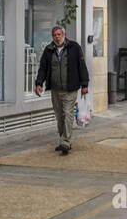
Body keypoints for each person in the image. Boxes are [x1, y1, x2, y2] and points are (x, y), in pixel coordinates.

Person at [34, 25, 90, 154]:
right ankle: (63, 140)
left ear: (64, 35)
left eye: (59, 34)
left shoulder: (74, 47)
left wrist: (85, 85)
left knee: (68, 114)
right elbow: (43, 68)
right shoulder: (48, 50)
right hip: (55, 90)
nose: (57, 37)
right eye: (54, 35)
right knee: (60, 116)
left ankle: (65, 142)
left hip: (70, 89)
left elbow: (81, 66)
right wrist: (39, 83)